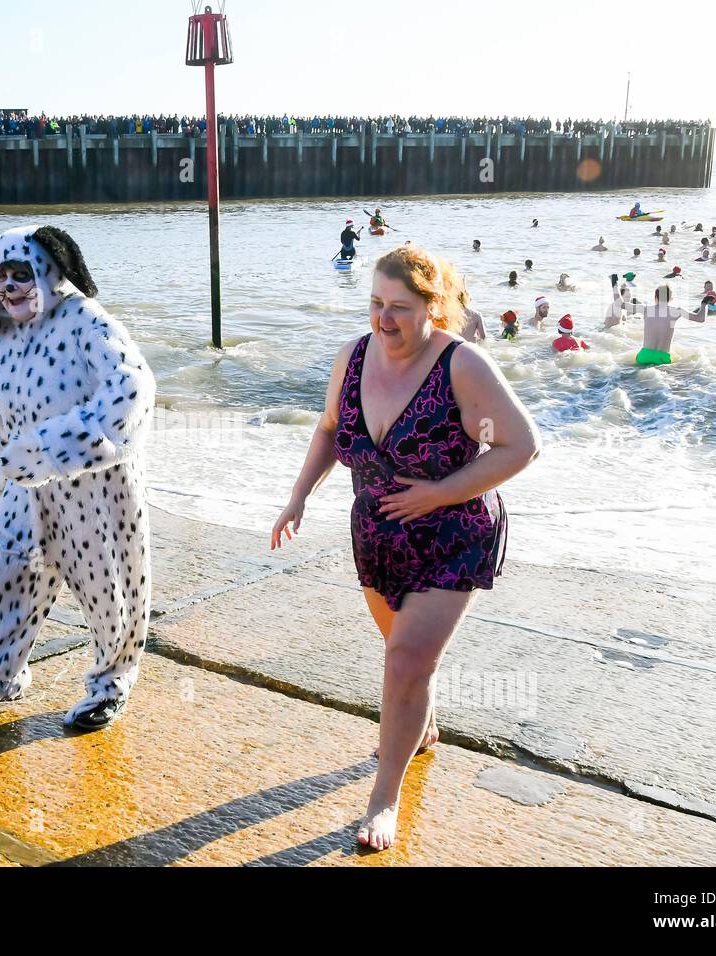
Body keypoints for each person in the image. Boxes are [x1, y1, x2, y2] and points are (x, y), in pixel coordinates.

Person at [271, 243, 539, 851]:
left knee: (403, 663)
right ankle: (423, 727)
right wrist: (299, 496)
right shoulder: (354, 356)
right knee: (406, 657)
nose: (383, 319)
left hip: (453, 536)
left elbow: (519, 445)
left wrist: (439, 493)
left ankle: (383, 799)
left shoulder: (462, 365)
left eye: (399, 307)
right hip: (377, 536)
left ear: (433, 308)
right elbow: (327, 429)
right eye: (375, 303)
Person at [0, 225, 156, 731]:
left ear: (50, 272)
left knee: (110, 590)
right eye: (2, 276)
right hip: (24, 488)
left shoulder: (86, 321)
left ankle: (112, 683)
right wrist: (1, 461)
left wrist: (55, 449)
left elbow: (135, 388)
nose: (11, 287)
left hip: (96, 490)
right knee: (5, 574)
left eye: (22, 275)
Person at [636, 284, 708, 366]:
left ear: (655, 297)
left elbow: (621, 304)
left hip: (644, 355)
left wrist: (617, 285)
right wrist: (704, 304)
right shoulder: (677, 311)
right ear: (670, 299)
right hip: (662, 357)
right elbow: (700, 318)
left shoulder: (645, 309)